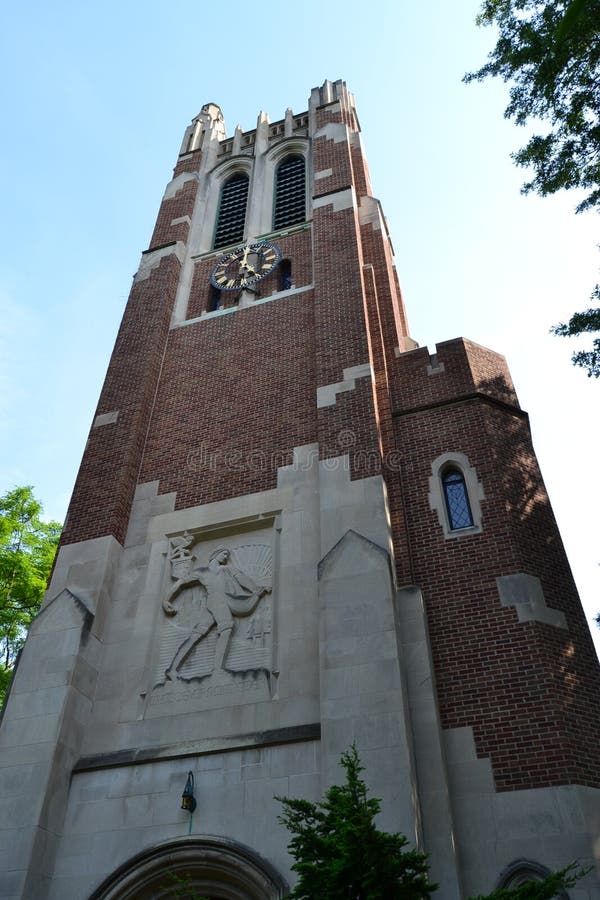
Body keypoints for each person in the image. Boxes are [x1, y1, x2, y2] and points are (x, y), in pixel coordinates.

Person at [163, 547, 268, 680]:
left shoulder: (227, 569)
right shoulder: (202, 572)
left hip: (214, 604)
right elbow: (181, 582)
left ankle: (172, 669)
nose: (225, 557)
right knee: (226, 628)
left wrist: (256, 589)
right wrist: (166, 599)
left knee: (196, 635)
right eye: (223, 554)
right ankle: (218, 670)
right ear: (215, 555)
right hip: (217, 602)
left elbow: (242, 579)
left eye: (227, 555)